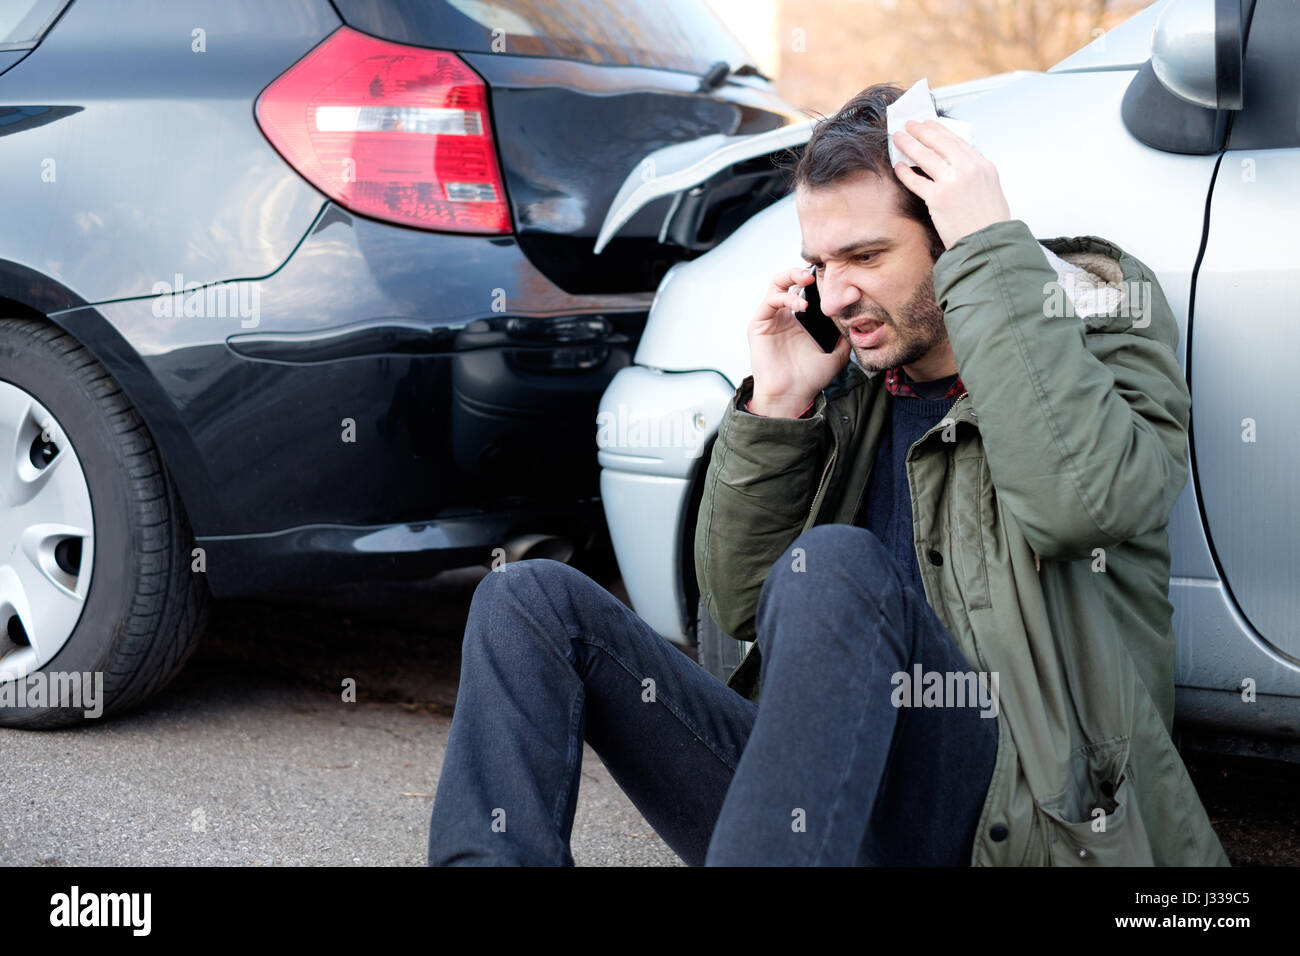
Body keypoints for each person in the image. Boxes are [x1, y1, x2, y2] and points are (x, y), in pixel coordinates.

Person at [427, 83, 1229, 866]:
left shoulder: (1089, 319)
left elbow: (1079, 506)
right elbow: (742, 605)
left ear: (953, 239)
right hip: (813, 801)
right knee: (526, 602)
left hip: (1006, 815)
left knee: (834, 565)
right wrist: (777, 408)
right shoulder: (852, 386)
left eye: (868, 255)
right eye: (821, 262)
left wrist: (991, 248)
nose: (839, 293)